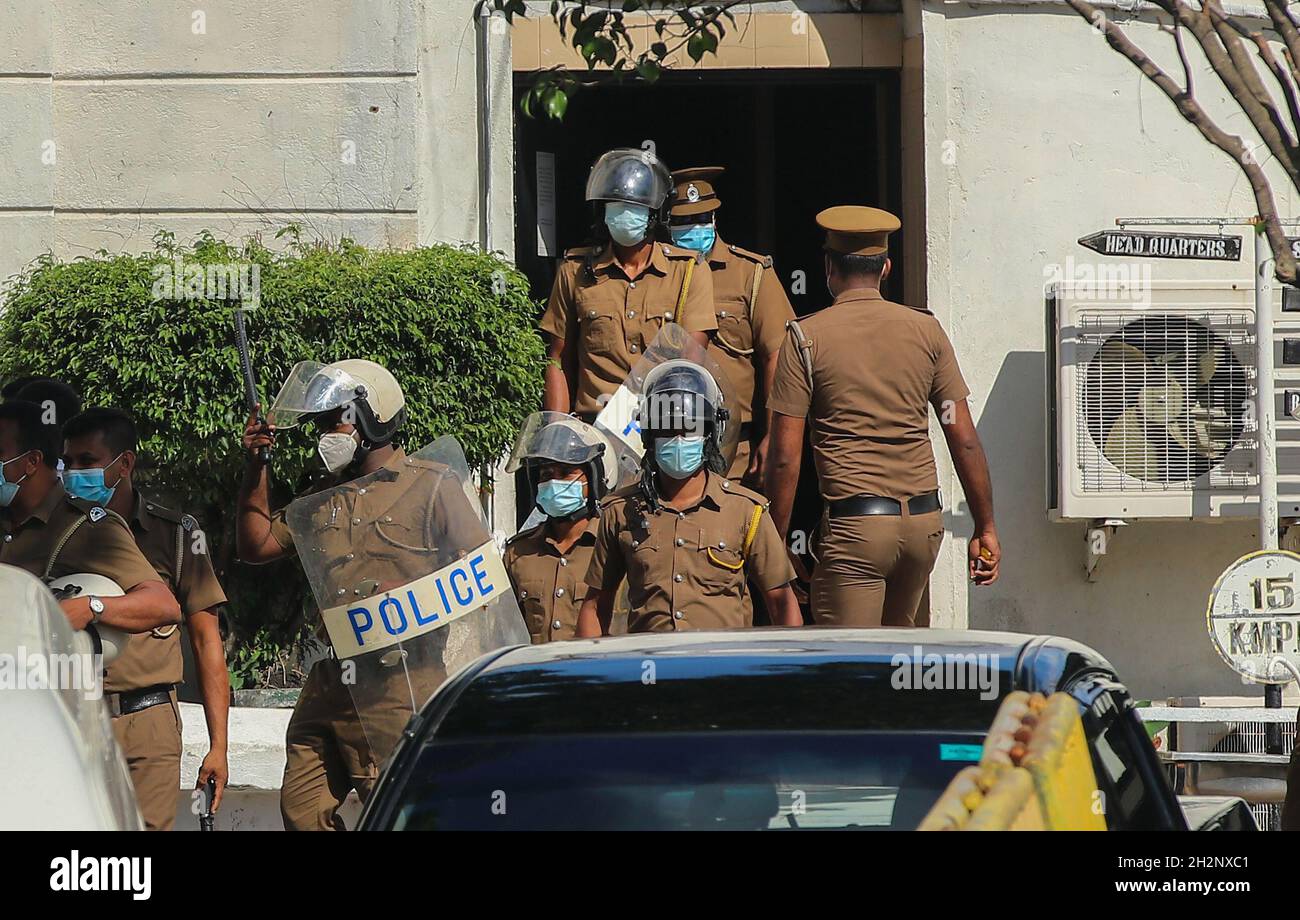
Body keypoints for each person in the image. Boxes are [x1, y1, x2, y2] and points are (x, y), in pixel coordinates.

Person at [236, 358, 481, 831]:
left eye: (336, 420)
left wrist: (411, 594)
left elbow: (481, 573)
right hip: (331, 679)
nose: (327, 433)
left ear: (371, 417)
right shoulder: (319, 498)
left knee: (399, 814)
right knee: (301, 810)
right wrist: (256, 466)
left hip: (402, 679)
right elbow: (256, 545)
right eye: (322, 424)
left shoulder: (431, 484)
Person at [765, 206, 1000, 628]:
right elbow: (962, 436)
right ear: (886, 267)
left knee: (851, 672)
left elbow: (784, 456)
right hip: (923, 526)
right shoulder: (927, 331)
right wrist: (985, 526)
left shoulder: (805, 338)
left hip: (857, 529)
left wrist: (776, 540)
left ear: (828, 267)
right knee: (899, 665)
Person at [62, 407, 230, 831]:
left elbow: (207, 641)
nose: (74, 473)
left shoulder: (176, 536)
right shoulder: (57, 533)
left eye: (88, 462)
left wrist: (219, 747)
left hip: (146, 722)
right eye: (69, 463)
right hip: (70, 718)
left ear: (125, 464)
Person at [576, 359, 802, 636]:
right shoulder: (620, 511)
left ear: (710, 434)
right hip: (650, 670)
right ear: (649, 435)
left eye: (689, 429)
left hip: (720, 670)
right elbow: (595, 606)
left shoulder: (746, 511)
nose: (678, 439)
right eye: (667, 430)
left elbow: (782, 602)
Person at [541, 148, 717, 423]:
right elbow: (558, 360)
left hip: (662, 426)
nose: (624, 215)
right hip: (595, 430)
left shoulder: (688, 271)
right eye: (616, 206)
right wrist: (557, 434)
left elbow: (691, 360)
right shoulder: (575, 271)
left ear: (654, 214)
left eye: (634, 208)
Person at [0, 400, 181, 642]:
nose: (74, 470)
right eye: (70, 462)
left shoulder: (87, 527)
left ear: (32, 461)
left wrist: (90, 608)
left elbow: (162, 605)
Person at [667, 167, 795, 488]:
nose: (692, 229)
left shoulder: (750, 274)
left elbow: (777, 357)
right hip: (665, 442)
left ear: (714, 219)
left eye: (700, 219)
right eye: (682, 222)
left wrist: (772, 438)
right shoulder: (657, 276)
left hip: (736, 448)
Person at [503, 413, 616, 642]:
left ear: (595, 479)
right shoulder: (518, 553)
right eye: (546, 474)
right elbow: (501, 632)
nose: (554, 482)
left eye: (566, 473)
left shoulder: (614, 548)